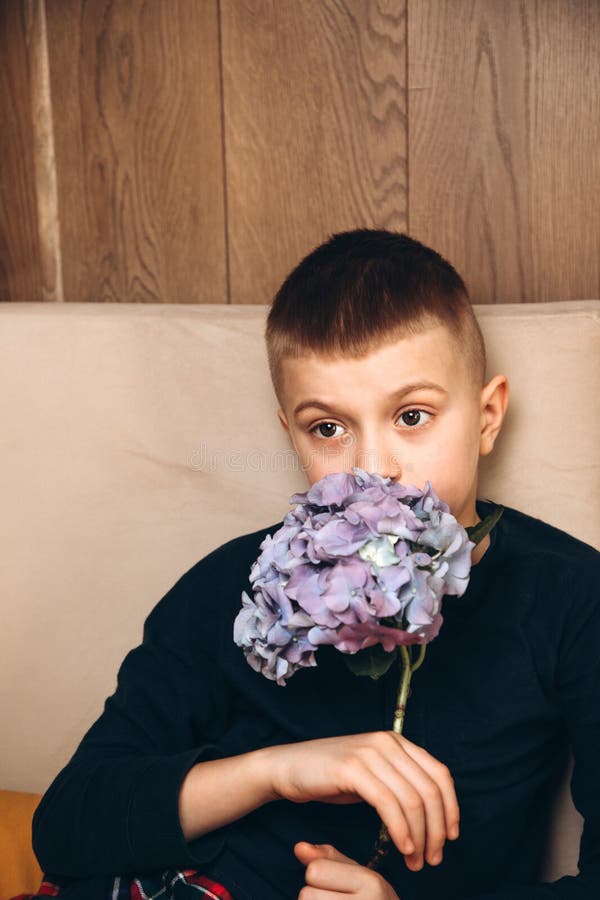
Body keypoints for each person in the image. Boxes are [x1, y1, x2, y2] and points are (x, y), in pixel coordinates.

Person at [30, 230, 599, 900]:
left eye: (412, 416)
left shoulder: (569, 597)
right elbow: (67, 824)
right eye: (328, 429)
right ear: (291, 436)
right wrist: (275, 772)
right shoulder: (233, 584)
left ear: (487, 417)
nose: (372, 468)